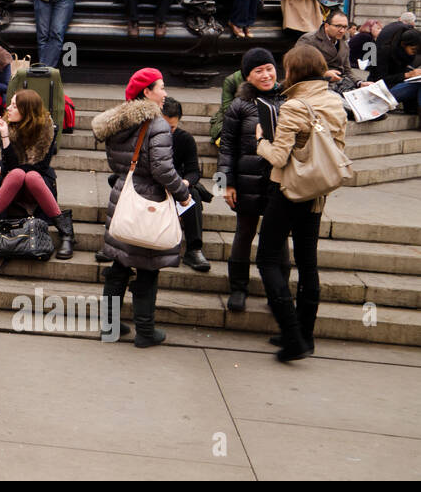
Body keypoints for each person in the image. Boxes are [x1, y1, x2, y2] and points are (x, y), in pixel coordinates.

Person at [254, 44, 349, 360]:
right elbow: (336, 147)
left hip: (289, 191)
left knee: (267, 259)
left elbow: (279, 157)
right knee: (308, 261)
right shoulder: (335, 101)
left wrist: (260, 141)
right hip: (318, 192)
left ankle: (292, 335)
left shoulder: (295, 106)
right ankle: (305, 336)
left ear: (293, 71)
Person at [92, 68, 194, 347]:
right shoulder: (156, 124)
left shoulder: (119, 122)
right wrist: (183, 194)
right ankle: (146, 332)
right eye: (161, 87)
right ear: (146, 92)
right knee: (148, 269)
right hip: (149, 201)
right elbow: (162, 169)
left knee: (119, 266)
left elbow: (116, 163)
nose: (165, 93)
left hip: (123, 196)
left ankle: (109, 328)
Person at [218, 47, 286, 311]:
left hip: (278, 181)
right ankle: (238, 289)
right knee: (244, 233)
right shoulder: (239, 105)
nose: (266, 75)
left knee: (278, 238)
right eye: (259, 71)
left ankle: (278, 292)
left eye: (269, 68)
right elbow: (227, 147)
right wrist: (226, 184)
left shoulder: (287, 99)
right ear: (247, 76)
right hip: (246, 181)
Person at [0, 89, 72, 260]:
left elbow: (39, 166)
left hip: (36, 183)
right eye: (10, 104)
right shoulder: (8, 125)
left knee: (30, 175)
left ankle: (67, 234)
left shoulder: (48, 128)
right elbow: (11, 165)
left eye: (14, 106)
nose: (8, 108)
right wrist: (4, 135)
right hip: (12, 184)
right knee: (17, 173)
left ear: (27, 111)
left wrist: (1, 169)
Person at [161, 97, 210, 272]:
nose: (167, 132)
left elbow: (194, 171)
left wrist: (185, 182)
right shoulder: (145, 137)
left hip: (176, 187)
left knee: (192, 194)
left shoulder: (185, 139)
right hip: (151, 187)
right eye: (163, 127)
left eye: (172, 128)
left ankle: (194, 249)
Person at [296, 10, 357, 91]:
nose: (342, 30)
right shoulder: (309, 40)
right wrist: (323, 74)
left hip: (339, 86)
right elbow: (298, 66)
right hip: (314, 86)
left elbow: (347, 70)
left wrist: (359, 82)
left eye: (345, 27)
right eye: (338, 26)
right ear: (326, 26)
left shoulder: (344, 44)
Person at [373, 24, 421, 113]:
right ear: (403, 44)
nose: (414, 53)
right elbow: (379, 79)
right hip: (382, 90)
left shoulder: (406, 55)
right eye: (413, 50)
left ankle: (413, 109)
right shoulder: (384, 52)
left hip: (398, 86)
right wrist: (407, 75)